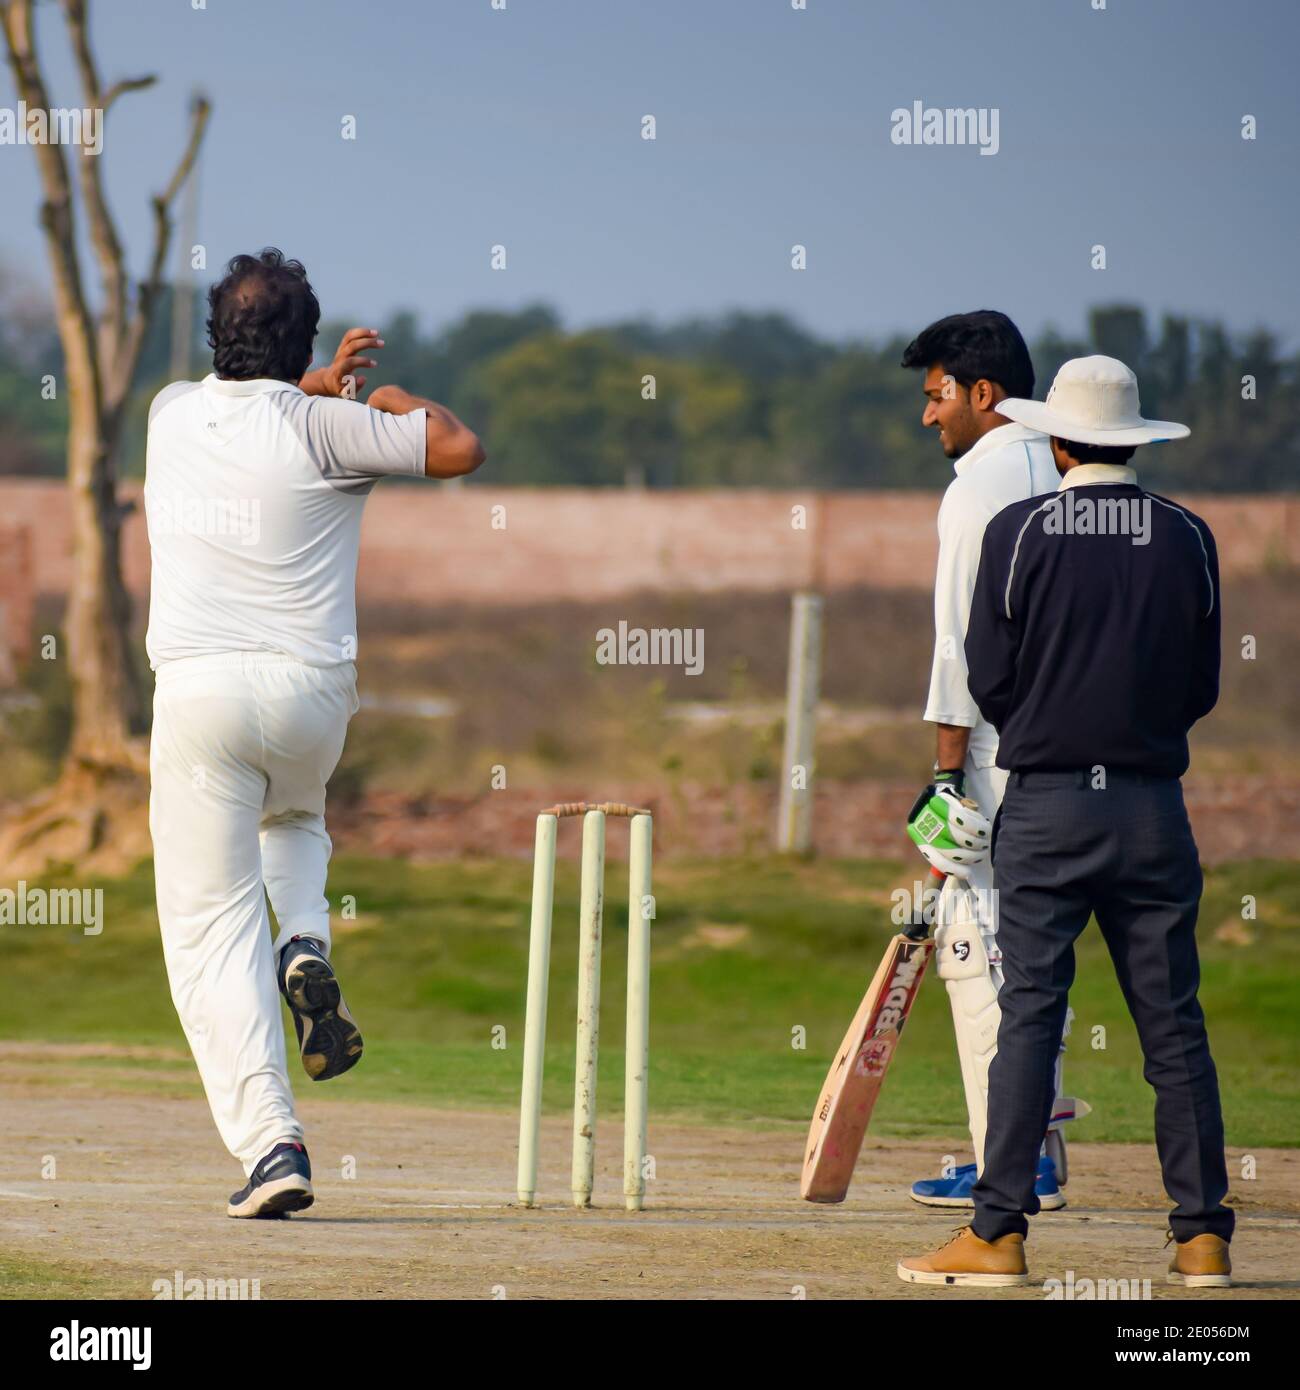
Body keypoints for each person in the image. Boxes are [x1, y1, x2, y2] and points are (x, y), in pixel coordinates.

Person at [145, 248, 484, 1218]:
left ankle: (272, 1146)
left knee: (210, 933)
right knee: (293, 815)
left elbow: (251, 405)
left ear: (218, 336)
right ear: (302, 342)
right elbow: (459, 449)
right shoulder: (331, 427)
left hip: (200, 696)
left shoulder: (170, 415)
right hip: (308, 696)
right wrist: (381, 398)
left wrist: (312, 387)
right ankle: (303, 937)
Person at [899, 355, 1232, 1288]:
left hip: (1043, 802)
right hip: (1153, 805)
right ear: (1134, 441)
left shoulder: (1017, 531)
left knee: (1029, 1019)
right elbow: (1200, 684)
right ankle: (1202, 1234)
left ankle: (998, 1233)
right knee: (1172, 1024)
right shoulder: (1187, 536)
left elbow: (987, 679)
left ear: (1055, 439)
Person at [900, 310, 1085, 1211]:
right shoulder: (1067, 466)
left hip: (994, 754)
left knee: (976, 951)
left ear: (982, 393)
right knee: (1033, 952)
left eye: (936, 397)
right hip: (1078, 755)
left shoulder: (975, 488)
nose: (927, 416)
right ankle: (1032, 1146)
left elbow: (959, 646)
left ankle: (1014, 1163)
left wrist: (943, 776)